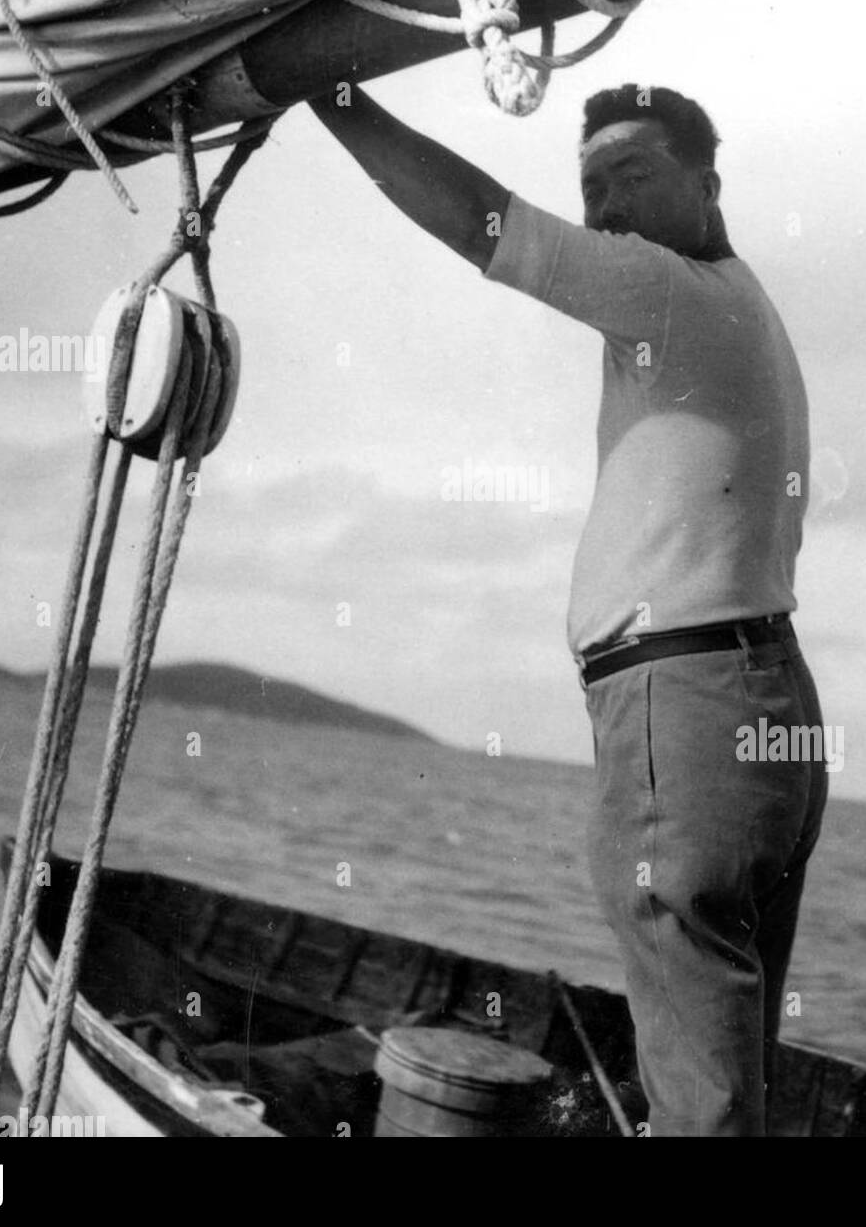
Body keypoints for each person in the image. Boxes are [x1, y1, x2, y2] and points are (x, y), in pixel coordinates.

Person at [311, 81, 828, 1136]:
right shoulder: (741, 304)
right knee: (725, 1072)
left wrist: (332, 94)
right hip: (761, 703)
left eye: (633, 176)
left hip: (683, 710)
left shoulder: (671, 291)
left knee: (703, 1100)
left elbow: (484, 224)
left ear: (708, 184)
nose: (606, 209)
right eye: (591, 187)